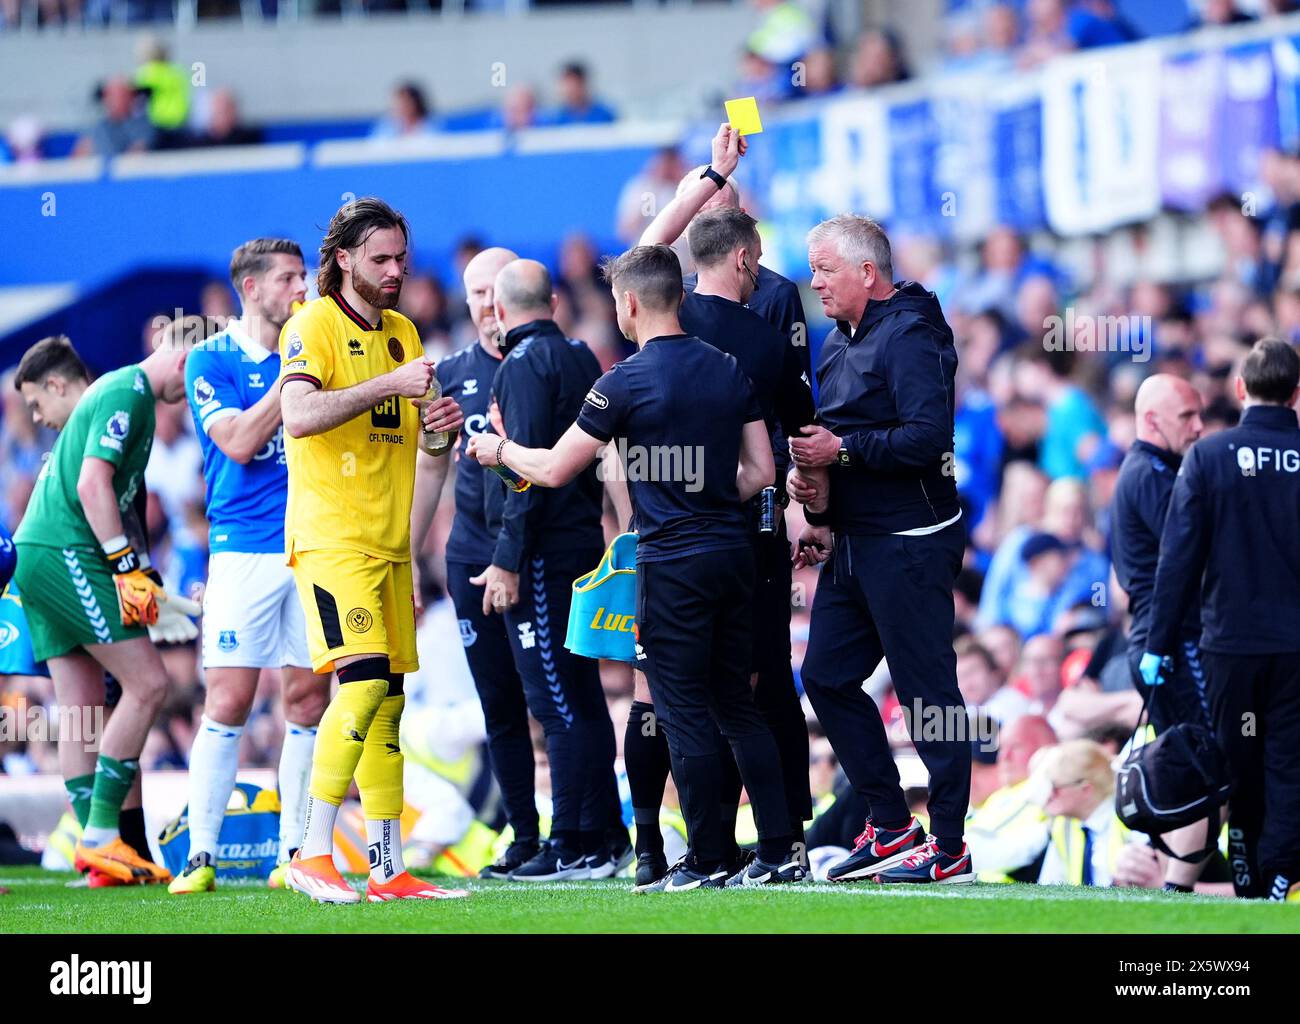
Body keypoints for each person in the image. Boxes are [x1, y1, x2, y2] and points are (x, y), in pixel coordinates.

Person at [467, 245, 799, 890]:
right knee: (738, 704)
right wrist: (703, 493)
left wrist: (496, 448)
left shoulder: (622, 380)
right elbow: (761, 473)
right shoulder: (730, 368)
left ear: (629, 304)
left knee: (679, 710)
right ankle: (780, 849)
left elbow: (556, 468)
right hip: (733, 555)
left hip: (671, 563)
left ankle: (707, 858)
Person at [277, 197, 466, 904]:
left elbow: (428, 452)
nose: (394, 272)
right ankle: (310, 849)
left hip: (388, 548)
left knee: (388, 703)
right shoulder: (313, 325)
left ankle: (387, 869)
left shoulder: (403, 332)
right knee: (358, 687)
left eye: (402, 261)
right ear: (345, 260)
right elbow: (297, 415)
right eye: (381, 260)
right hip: (332, 538)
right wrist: (389, 384)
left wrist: (441, 428)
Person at [787, 214, 972, 885]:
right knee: (828, 677)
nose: (816, 283)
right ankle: (891, 824)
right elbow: (836, 443)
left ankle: (949, 843)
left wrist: (842, 450)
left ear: (868, 272)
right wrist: (815, 496)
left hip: (911, 544)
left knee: (928, 697)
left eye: (825, 269)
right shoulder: (837, 344)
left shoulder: (913, 332)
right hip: (855, 542)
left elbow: (928, 438)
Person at [167, 239, 326, 896]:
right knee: (228, 699)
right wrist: (293, 381)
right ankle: (201, 854)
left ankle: (296, 850)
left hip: (314, 546)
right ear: (252, 287)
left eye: (305, 276)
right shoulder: (212, 357)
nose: (303, 288)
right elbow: (235, 440)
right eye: (290, 278)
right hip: (242, 552)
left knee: (309, 699)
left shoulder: (315, 346)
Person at [12, 333, 200, 887]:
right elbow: (95, 486)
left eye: (36, 405)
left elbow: (114, 498)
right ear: (185, 357)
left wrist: (140, 574)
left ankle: (94, 848)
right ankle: (99, 838)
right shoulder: (128, 391)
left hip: (38, 556)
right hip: (67, 552)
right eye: (31, 408)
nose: (37, 417)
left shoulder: (117, 398)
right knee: (148, 686)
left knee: (81, 706)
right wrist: (127, 569)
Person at [479, 257, 628, 881]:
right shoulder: (580, 356)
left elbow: (527, 473)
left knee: (556, 701)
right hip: (579, 540)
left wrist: (507, 561)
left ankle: (571, 841)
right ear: (556, 303)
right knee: (581, 694)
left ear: (501, 311)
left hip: (541, 553)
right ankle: (607, 837)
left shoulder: (520, 365)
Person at [675, 207, 815, 862]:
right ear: (740, 256)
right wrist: (811, 509)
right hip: (750, 522)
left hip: (673, 534)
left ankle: (694, 848)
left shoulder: (661, 316)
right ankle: (783, 840)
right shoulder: (762, 336)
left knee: (684, 689)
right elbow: (797, 431)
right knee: (757, 680)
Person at [1144, 339, 1300, 902]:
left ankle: (1247, 877)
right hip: (1296, 650)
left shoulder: (1209, 458)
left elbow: (1177, 561)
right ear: (1297, 394)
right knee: (1289, 761)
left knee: (1237, 763)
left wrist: (1157, 644)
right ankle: (1279, 876)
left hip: (1231, 646)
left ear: (1239, 390)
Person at [411, 246, 545, 879]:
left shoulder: (549, 361)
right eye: (476, 295)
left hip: (539, 551)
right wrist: (409, 556)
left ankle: (586, 832)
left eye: (497, 290)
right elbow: (432, 463)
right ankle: (525, 835)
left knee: (554, 700)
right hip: (469, 554)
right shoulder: (452, 373)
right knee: (498, 705)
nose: (488, 306)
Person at [1109, 373, 1210, 891]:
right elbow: (1193, 551)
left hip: (1162, 639)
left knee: (1198, 757)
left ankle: (1167, 879)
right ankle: (1174, 887)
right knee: (1200, 760)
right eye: (1187, 417)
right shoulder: (1149, 473)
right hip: (1170, 641)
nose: (1199, 427)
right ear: (1151, 421)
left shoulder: (1154, 469)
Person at [639, 122, 808, 377]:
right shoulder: (674, 293)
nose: (712, 227)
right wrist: (716, 173)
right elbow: (647, 253)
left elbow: (795, 393)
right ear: (683, 226)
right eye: (698, 216)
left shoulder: (777, 293)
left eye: (721, 215)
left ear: (741, 218)